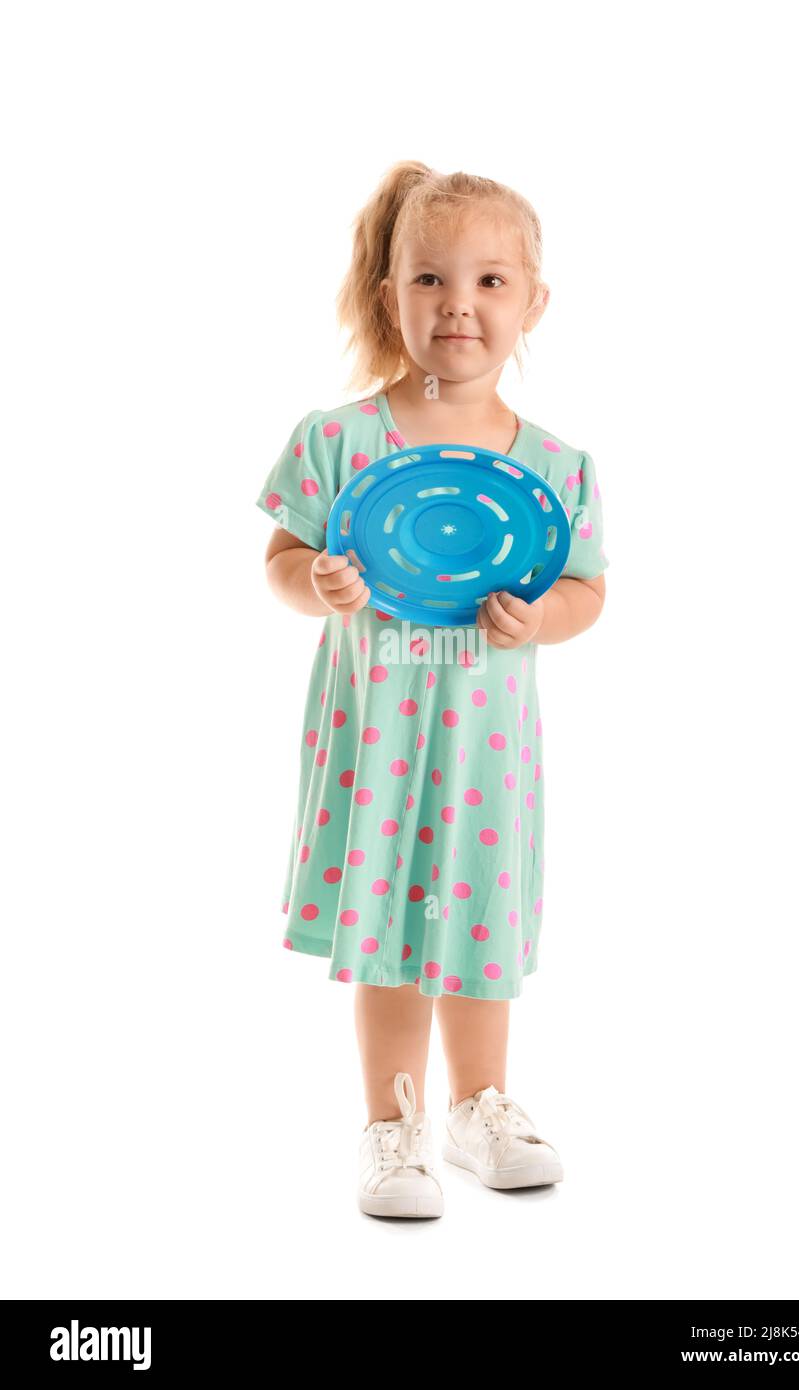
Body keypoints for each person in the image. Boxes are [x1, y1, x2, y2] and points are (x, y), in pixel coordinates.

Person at [256, 161, 609, 1219]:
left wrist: (543, 616)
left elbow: (588, 588)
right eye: (429, 280)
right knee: (386, 931)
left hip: (482, 756)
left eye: (491, 281)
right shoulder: (339, 441)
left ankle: (480, 1106)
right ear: (388, 295)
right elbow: (281, 562)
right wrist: (315, 581)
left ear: (531, 303)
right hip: (378, 746)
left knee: (479, 925)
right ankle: (391, 1124)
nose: (459, 304)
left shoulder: (553, 464)